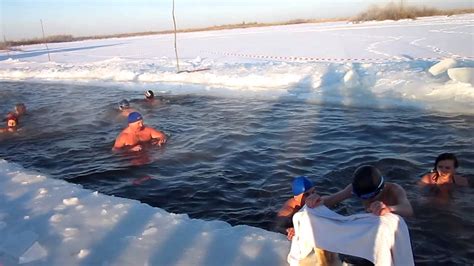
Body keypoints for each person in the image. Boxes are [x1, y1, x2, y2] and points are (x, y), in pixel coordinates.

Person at [306, 165, 413, 217]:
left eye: (370, 197)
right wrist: (319, 200)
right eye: (362, 197)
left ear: (381, 189)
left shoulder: (394, 190)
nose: (367, 200)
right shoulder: (354, 188)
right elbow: (332, 199)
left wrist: (389, 208)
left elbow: (408, 210)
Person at [277, 176, 316, 241]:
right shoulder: (288, 210)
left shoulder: (313, 201)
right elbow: (277, 227)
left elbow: (329, 199)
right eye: (306, 195)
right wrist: (289, 230)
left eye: (313, 192)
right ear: (296, 197)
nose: (312, 196)